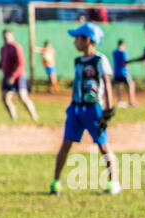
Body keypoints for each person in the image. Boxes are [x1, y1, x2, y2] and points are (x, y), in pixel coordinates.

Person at [48, 21, 119, 197]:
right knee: (66, 144)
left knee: (103, 146)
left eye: (77, 39)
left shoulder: (100, 60)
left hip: (93, 109)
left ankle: (114, 182)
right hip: (76, 109)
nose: (74, 42)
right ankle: (56, 181)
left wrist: (108, 110)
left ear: (87, 40)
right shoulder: (78, 61)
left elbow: (107, 85)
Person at [0, 29, 39, 123]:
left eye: (8, 36)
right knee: (5, 98)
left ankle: (34, 117)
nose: (6, 38)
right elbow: (2, 62)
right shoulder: (3, 48)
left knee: (22, 97)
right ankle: (14, 119)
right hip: (7, 76)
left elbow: (21, 64)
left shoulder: (16, 47)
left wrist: (13, 76)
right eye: (4, 36)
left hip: (18, 76)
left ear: (12, 36)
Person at [112, 39, 136, 107]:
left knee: (118, 85)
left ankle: (119, 100)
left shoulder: (115, 52)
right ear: (123, 44)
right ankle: (131, 101)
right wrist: (128, 67)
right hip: (124, 73)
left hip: (116, 73)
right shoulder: (123, 52)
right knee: (131, 84)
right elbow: (125, 62)